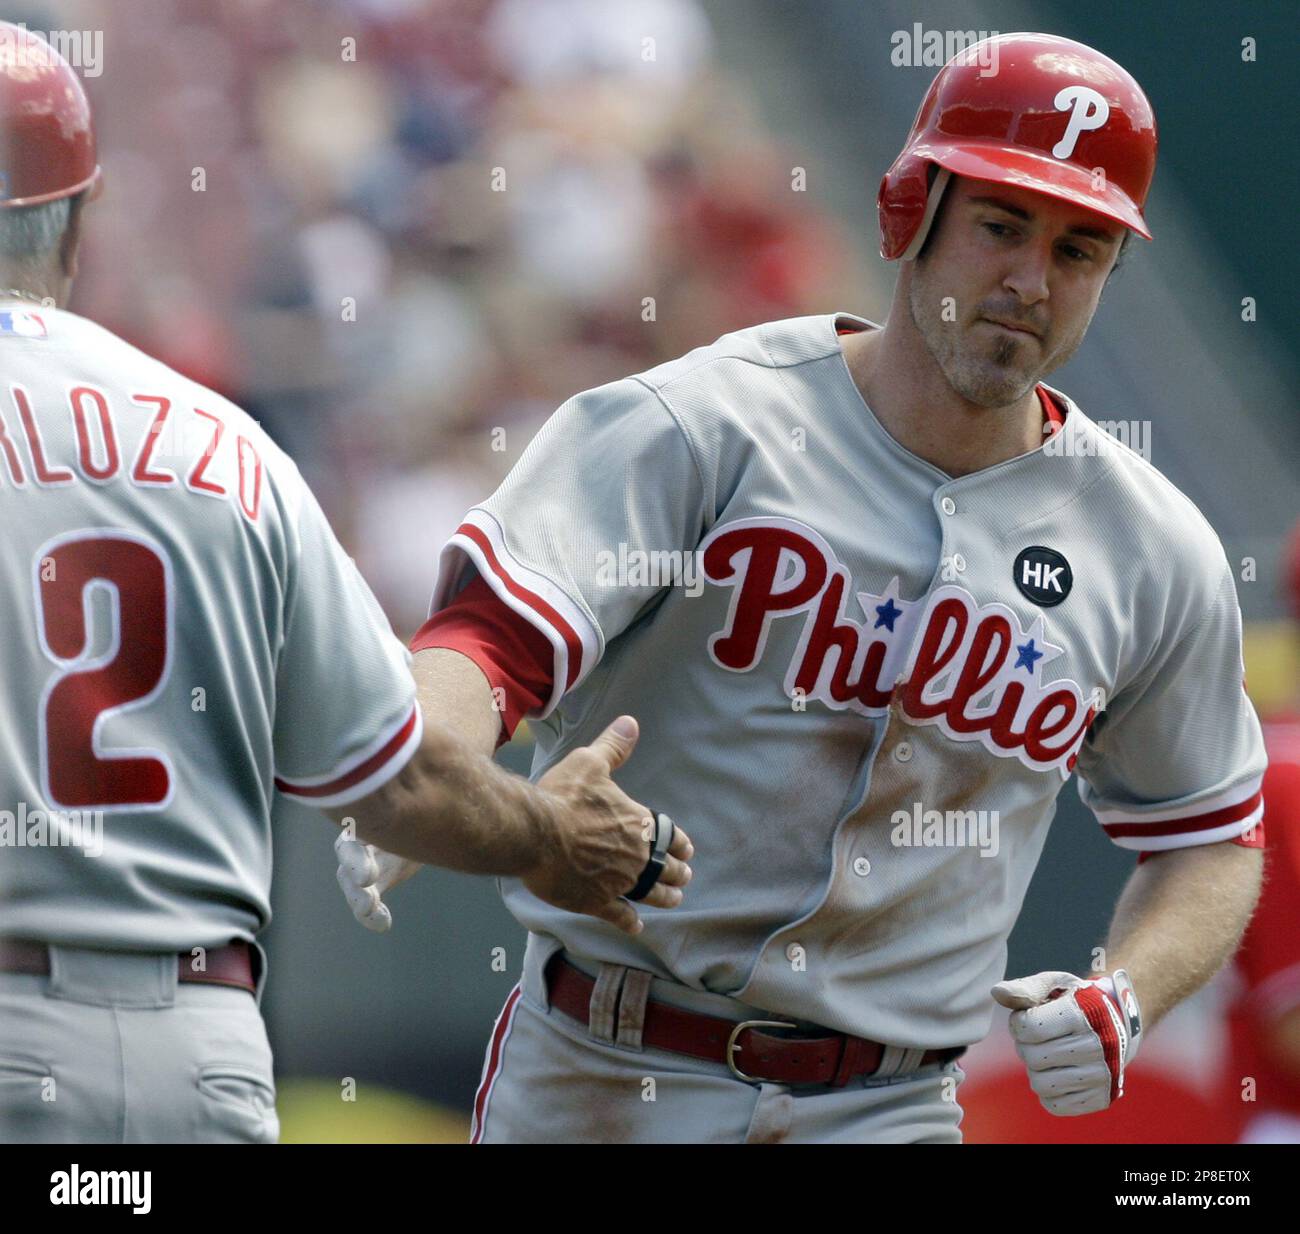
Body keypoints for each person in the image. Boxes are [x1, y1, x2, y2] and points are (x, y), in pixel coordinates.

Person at [349, 32, 1264, 1144]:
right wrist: (431, 765)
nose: (1029, 280)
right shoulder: (701, 426)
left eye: (1078, 249)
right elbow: (483, 648)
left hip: (890, 1102)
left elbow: (1211, 831)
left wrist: (1128, 990)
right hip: (607, 1065)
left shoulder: (1153, 548)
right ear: (907, 213)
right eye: (1000, 225)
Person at [0, 23, 690, 1145]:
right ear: (81, 219)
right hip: (201, 1048)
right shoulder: (223, 441)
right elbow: (404, 785)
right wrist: (551, 836)